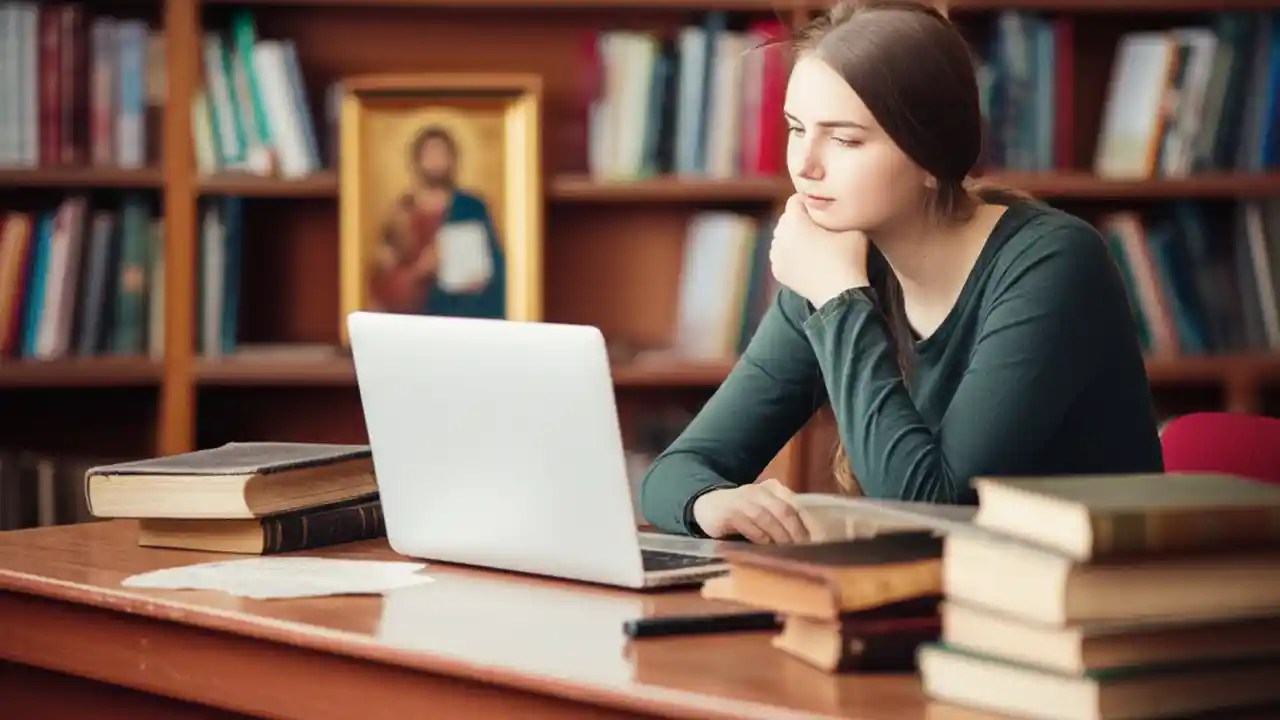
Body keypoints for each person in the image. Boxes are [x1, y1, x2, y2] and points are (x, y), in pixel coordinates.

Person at [638, 0, 1164, 544]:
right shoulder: (837, 258)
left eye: (844, 140)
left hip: (1079, 605)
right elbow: (673, 472)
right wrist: (710, 502)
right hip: (942, 597)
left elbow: (932, 507)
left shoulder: (1052, 262)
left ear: (930, 158)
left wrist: (840, 298)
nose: (805, 165)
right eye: (797, 129)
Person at [369, 125, 506, 319]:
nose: (436, 161)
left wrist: (482, 278)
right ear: (416, 160)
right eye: (429, 154)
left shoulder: (471, 207)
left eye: (442, 154)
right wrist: (420, 270)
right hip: (417, 318)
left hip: (464, 313)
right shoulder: (401, 214)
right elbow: (383, 280)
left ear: (453, 160)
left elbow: (496, 268)